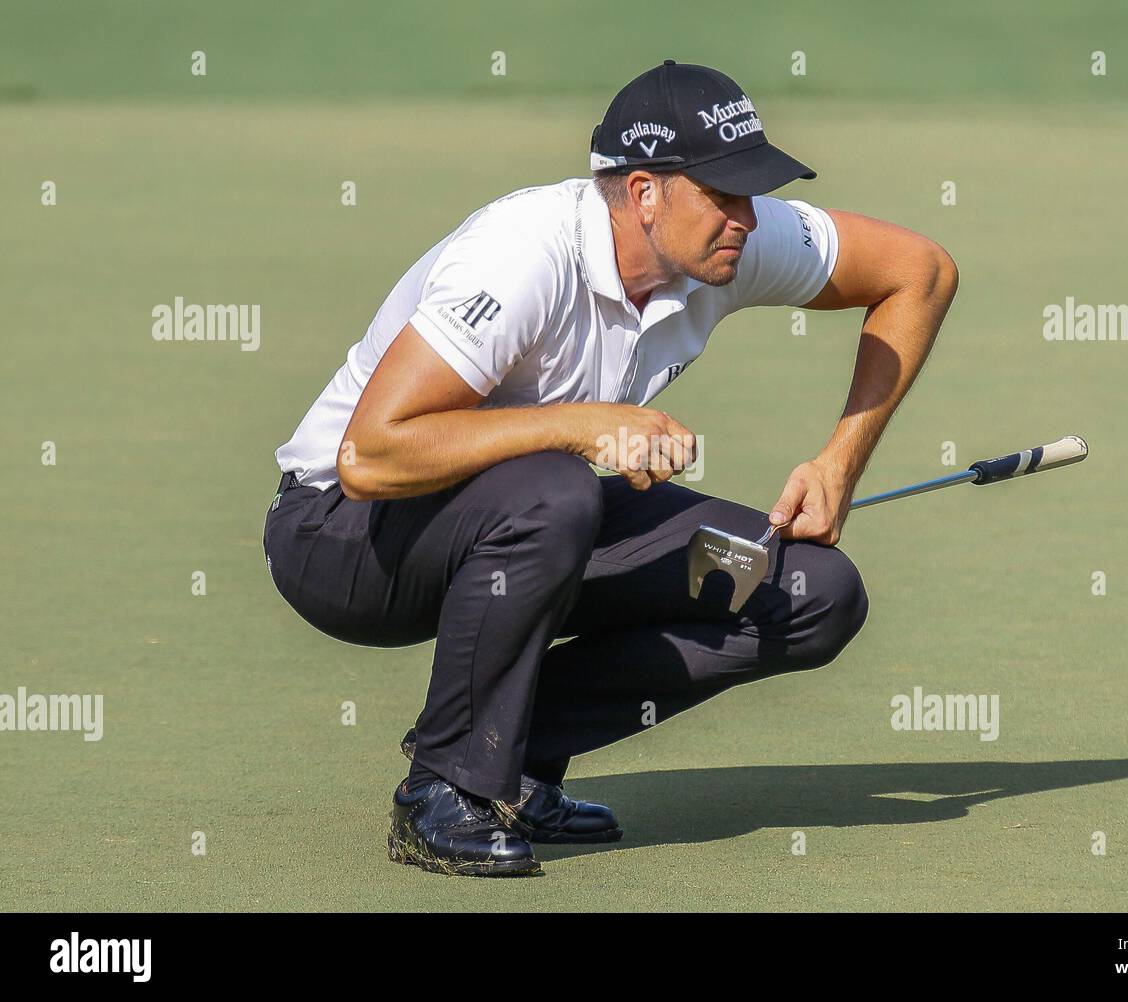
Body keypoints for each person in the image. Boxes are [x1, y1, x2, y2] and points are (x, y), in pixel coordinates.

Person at [264, 60, 958, 877]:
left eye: (750, 192)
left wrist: (839, 463)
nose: (745, 217)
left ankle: (512, 760)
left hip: (535, 524)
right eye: (723, 193)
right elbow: (369, 456)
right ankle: (442, 789)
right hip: (343, 538)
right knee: (556, 489)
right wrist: (584, 428)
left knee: (805, 591)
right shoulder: (523, 255)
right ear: (644, 193)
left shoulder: (726, 241)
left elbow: (922, 272)